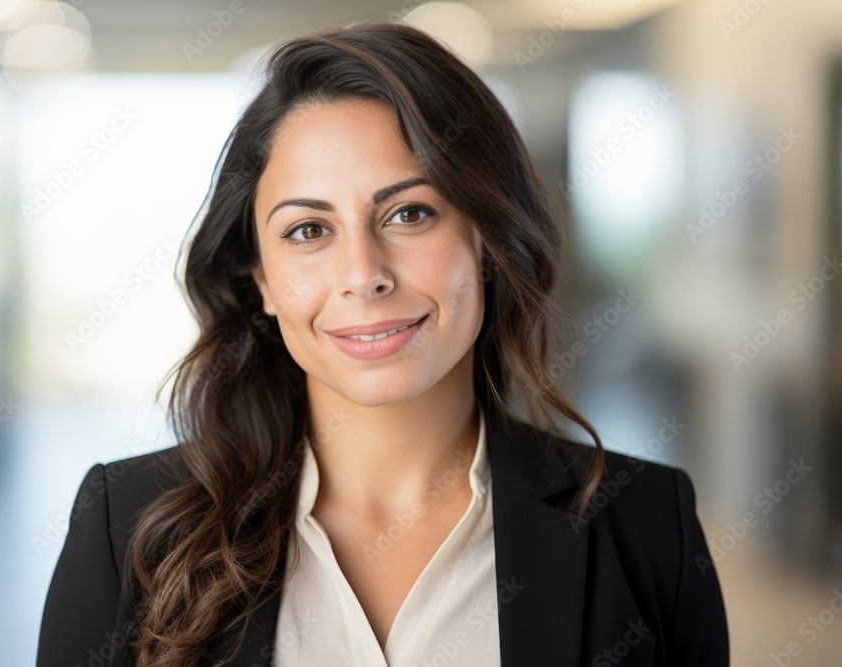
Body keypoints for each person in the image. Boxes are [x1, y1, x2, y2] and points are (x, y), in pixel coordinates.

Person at [36, 19, 730, 667]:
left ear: (486, 242)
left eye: (410, 213)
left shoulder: (644, 526)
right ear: (262, 283)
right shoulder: (125, 528)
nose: (364, 274)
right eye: (309, 230)